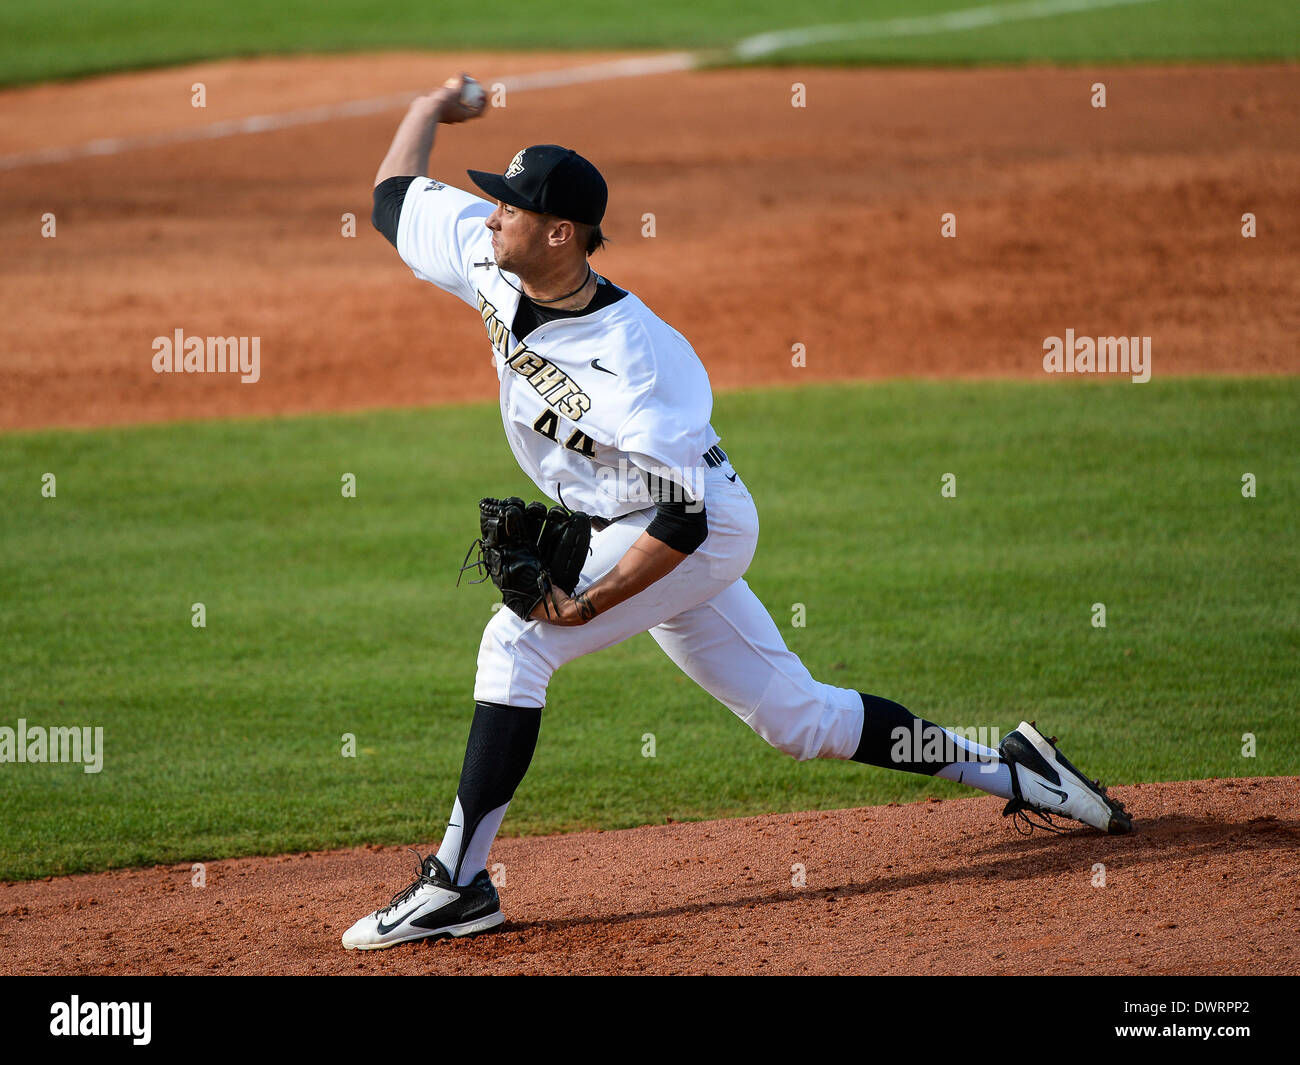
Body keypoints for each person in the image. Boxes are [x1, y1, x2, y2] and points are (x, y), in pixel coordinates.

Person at [341, 75, 1131, 951]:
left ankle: (457, 884)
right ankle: (1017, 769)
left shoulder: (640, 360)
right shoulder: (490, 260)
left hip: (691, 527)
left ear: (559, 233)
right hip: (627, 520)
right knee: (798, 718)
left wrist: (588, 603)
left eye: (509, 207)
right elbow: (391, 200)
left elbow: (683, 519)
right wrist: (426, 109)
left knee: (517, 642)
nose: (490, 216)